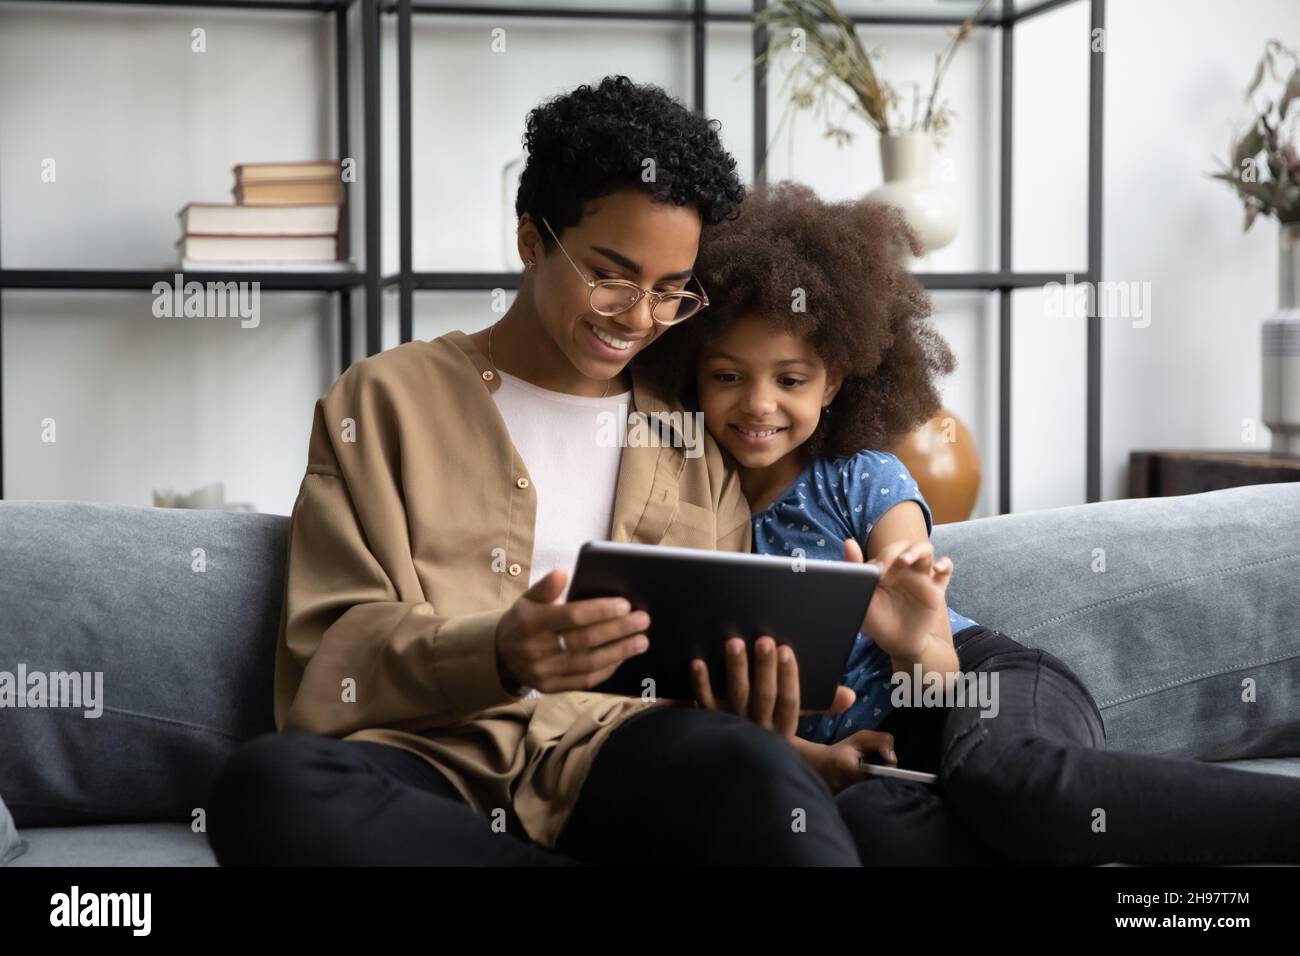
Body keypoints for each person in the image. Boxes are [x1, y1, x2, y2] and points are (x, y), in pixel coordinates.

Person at [206, 77, 863, 866]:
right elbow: (325, 664)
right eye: (612, 276)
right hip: (431, 765)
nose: (639, 318)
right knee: (268, 788)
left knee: (756, 776)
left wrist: (754, 707)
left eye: (669, 292)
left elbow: (709, 679)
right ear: (530, 241)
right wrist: (500, 653)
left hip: (618, 761)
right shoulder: (384, 400)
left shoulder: (692, 433)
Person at [638, 181, 1300, 865]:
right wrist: (818, 759)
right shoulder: (689, 507)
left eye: (791, 379)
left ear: (833, 383)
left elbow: (940, 673)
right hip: (884, 755)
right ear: (692, 376)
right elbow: (713, 719)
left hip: (982, 686)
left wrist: (912, 636)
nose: (758, 404)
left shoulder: (862, 478)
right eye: (728, 377)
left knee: (1006, 778)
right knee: (870, 827)